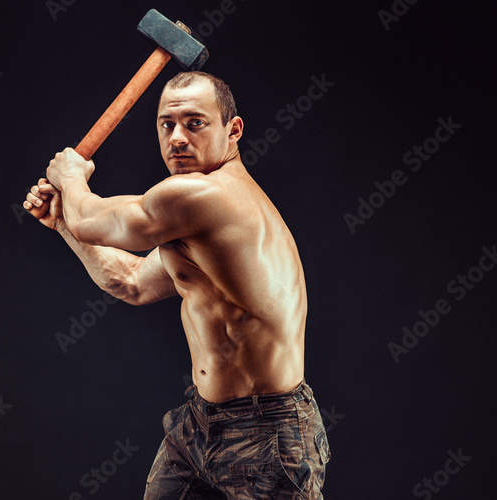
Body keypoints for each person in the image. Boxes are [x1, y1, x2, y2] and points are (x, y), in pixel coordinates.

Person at [23, 71, 329, 499]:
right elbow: (131, 282)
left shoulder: (210, 197)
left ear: (233, 130)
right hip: (200, 424)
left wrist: (70, 175)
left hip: (267, 435)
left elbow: (92, 219)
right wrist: (62, 222)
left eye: (195, 123)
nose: (178, 138)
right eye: (167, 124)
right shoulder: (194, 224)